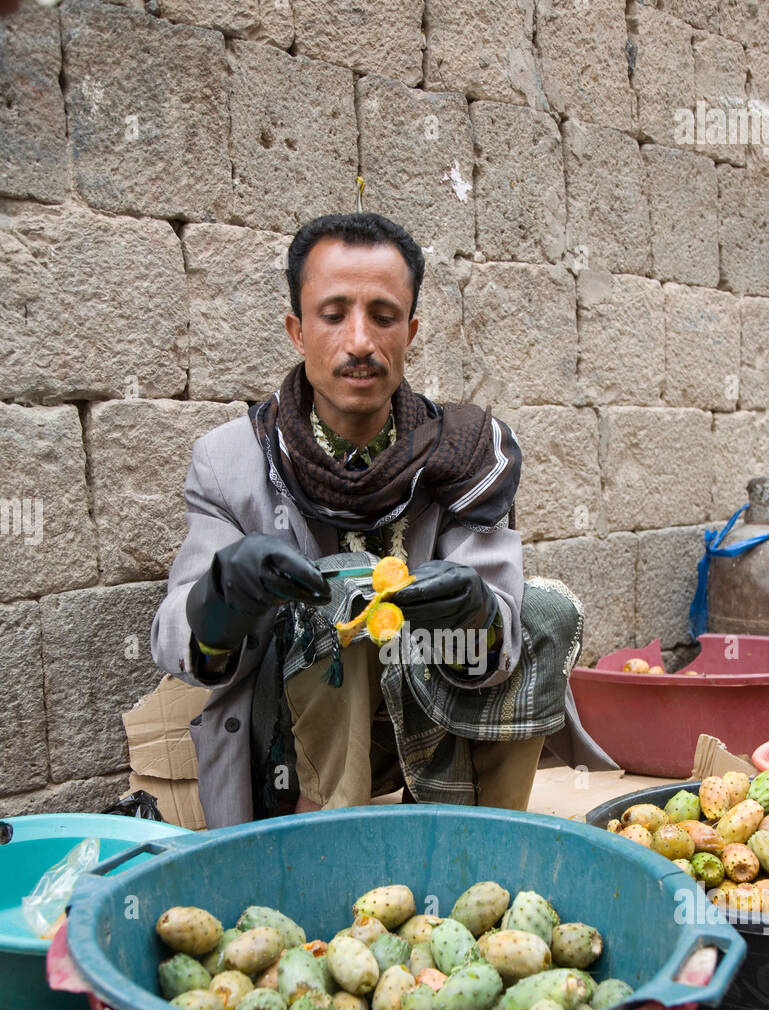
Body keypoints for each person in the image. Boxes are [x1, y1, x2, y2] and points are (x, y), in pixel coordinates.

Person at [150, 212, 615, 828]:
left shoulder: (465, 452)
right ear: (297, 331)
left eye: (384, 316)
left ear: (411, 331)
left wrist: (476, 614)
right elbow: (176, 643)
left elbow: (500, 632)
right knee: (339, 589)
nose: (360, 342)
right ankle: (326, 838)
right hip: (291, 736)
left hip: (432, 705)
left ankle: (479, 837)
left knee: (545, 612)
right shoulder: (230, 461)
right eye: (333, 315)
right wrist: (222, 598)